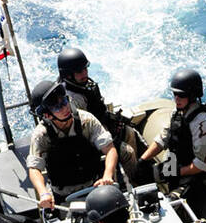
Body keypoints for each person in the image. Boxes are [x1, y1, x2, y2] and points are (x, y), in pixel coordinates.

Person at [26, 79, 119, 206]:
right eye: (58, 107)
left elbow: (110, 149)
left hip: (96, 187)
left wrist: (107, 175)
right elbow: (34, 168)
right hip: (64, 197)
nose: (65, 108)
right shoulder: (41, 134)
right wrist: (44, 193)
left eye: (64, 102)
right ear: (47, 115)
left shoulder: (86, 120)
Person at [57, 47, 142, 181]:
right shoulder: (72, 99)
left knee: (130, 132)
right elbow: (82, 130)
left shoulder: (85, 85)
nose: (85, 73)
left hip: (99, 126)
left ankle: (136, 173)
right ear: (68, 75)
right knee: (128, 152)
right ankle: (132, 183)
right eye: (79, 71)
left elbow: (98, 110)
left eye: (85, 68)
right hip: (88, 140)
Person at [139, 68, 206, 199]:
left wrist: (176, 173)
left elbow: (204, 164)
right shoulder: (178, 112)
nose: (176, 98)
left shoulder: (201, 122)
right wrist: (142, 160)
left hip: (195, 174)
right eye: (175, 94)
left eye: (181, 95)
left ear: (192, 95)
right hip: (178, 163)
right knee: (143, 176)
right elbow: (163, 138)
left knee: (173, 204)